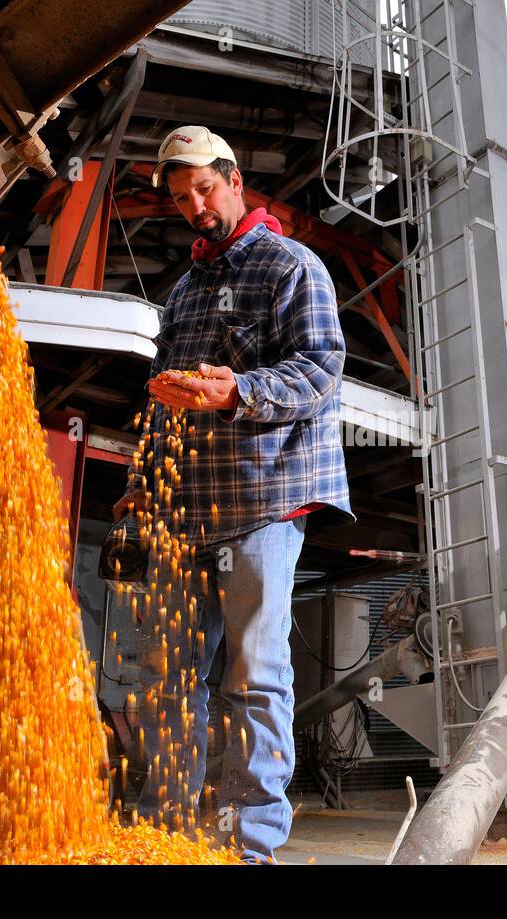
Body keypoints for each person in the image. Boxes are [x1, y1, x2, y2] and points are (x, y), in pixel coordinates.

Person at [112, 125, 352, 862]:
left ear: (234, 179)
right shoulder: (184, 292)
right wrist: (138, 485)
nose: (195, 206)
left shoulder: (291, 265)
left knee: (253, 673)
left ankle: (251, 845)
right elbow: (164, 404)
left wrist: (238, 390)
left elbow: (320, 370)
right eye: (181, 198)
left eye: (204, 190)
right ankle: (167, 836)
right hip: (183, 506)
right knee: (168, 675)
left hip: (263, 500)